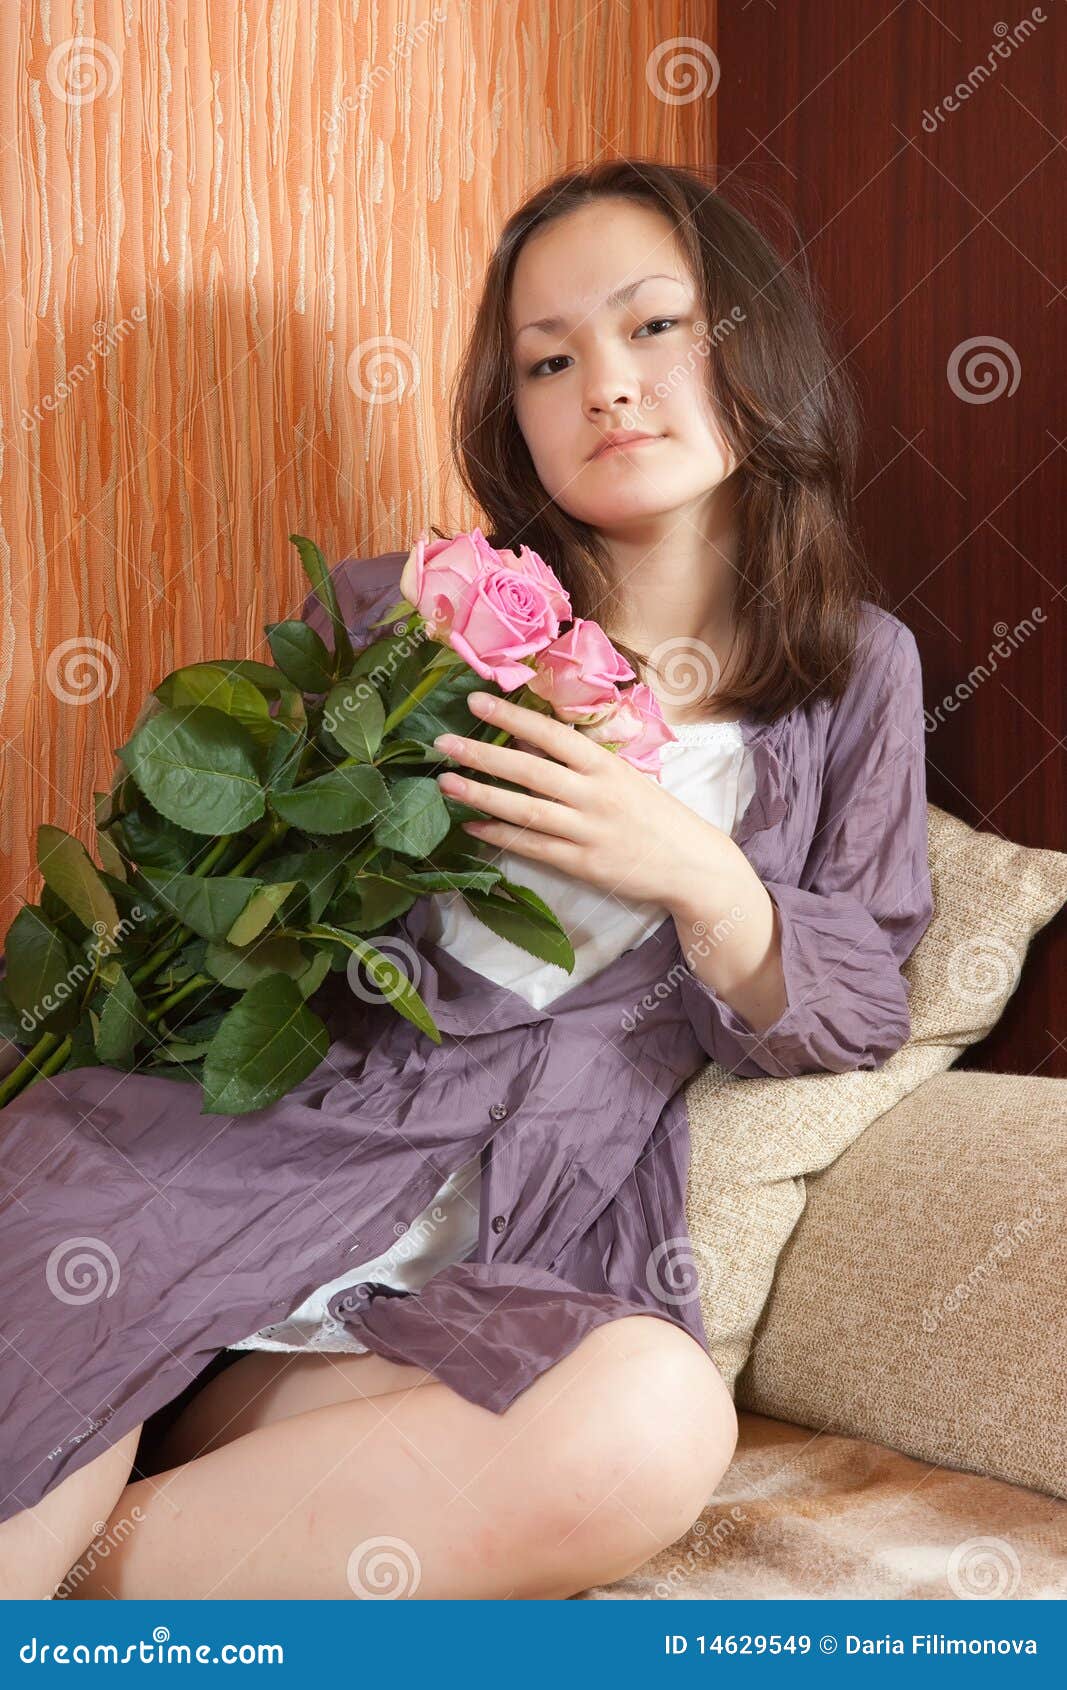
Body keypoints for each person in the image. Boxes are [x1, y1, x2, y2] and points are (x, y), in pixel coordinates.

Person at [0, 158, 932, 1600]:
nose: (606, 385)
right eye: (548, 362)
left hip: (474, 1275)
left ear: (758, 345)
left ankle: (96, 1578)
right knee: (90, 1264)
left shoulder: (854, 669)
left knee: (653, 1414)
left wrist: (699, 876)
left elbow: (862, 993)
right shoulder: (399, 619)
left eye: (656, 327)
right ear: (517, 418)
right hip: (243, 1164)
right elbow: (241, 912)